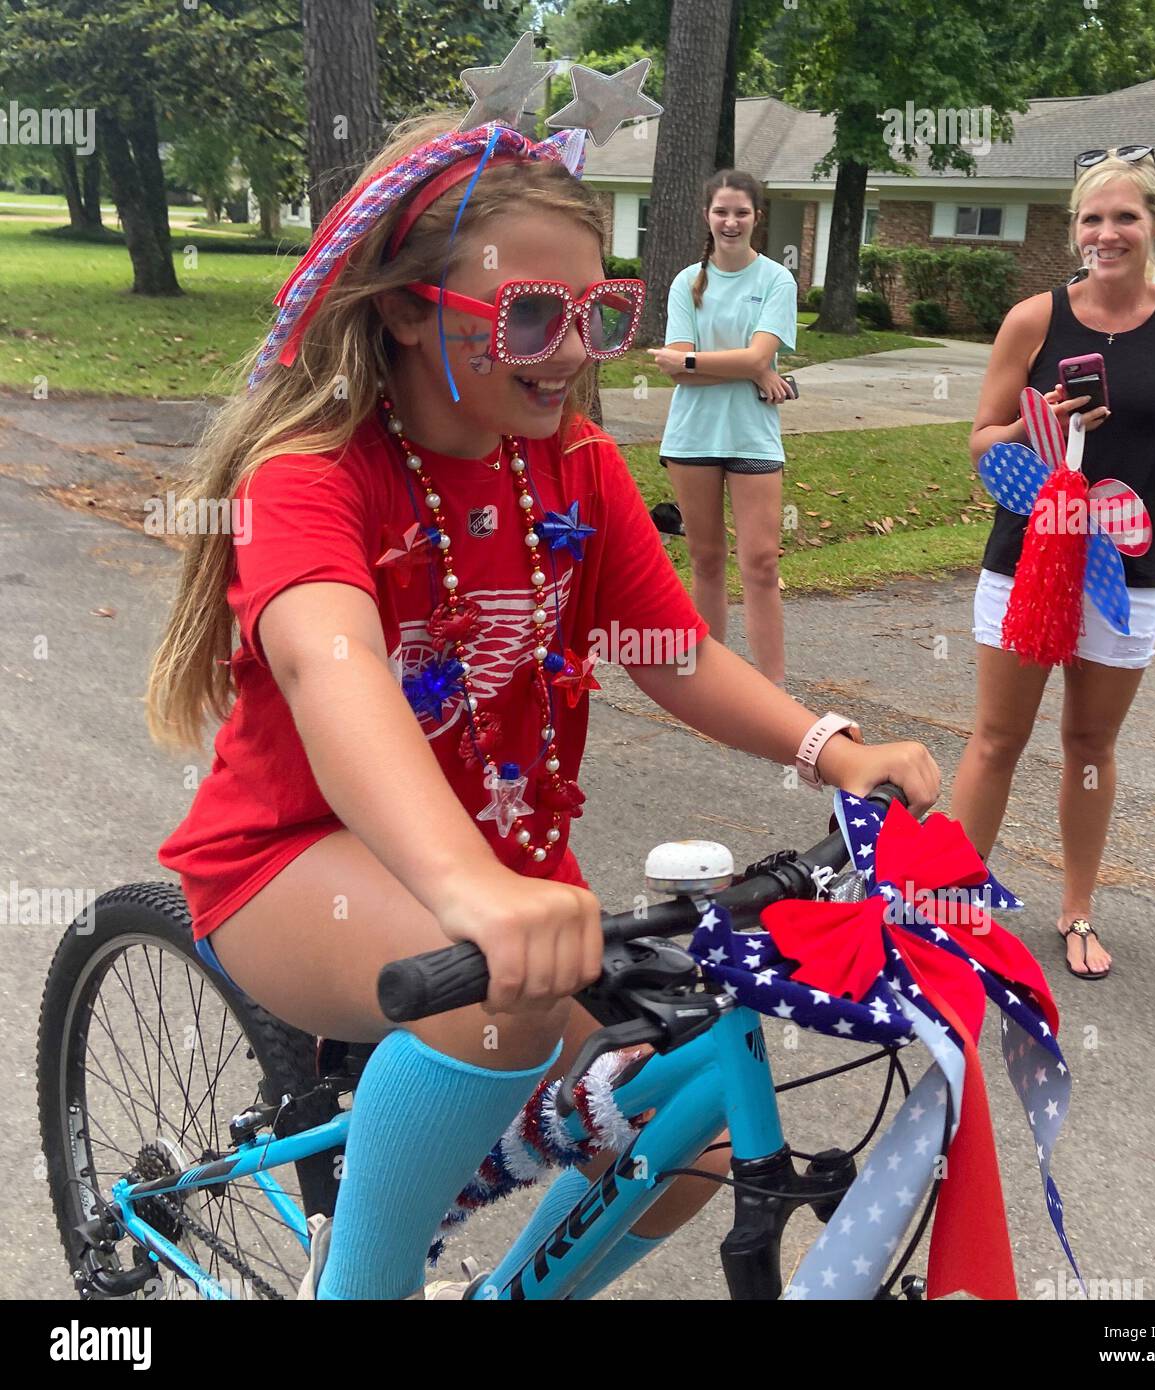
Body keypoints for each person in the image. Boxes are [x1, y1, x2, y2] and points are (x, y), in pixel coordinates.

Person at [147, 114, 940, 1300]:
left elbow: (668, 651)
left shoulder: (575, 464)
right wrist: (472, 891)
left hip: (502, 882)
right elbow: (332, 669)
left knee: (681, 1149)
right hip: (294, 862)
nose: (573, 351)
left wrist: (833, 747)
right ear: (412, 309)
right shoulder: (309, 475)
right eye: (527, 315)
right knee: (495, 1004)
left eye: (599, 315)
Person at [950, 148, 1155, 981]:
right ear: (1075, 229)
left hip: (1129, 561)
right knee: (997, 738)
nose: (1107, 233)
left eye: (1125, 218)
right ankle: (953, 906)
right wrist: (1040, 422)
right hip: (1030, 556)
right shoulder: (1033, 319)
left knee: (1090, 743)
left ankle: (1076, 911)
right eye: (1092, 219)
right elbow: (981, 444)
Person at [646, 170, 799, 689]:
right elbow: (674, 363)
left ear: (757, 217)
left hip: (753, 437)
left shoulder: (777, 280)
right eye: (721, 212)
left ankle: (771, 688)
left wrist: (703, 363)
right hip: (692, 439)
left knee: (759, 562)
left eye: (741, 212)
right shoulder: (686, 282)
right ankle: (714, 687)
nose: (731, 222)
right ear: (707, 217)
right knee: (706, 559)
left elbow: (695, 360)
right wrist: (753, 369)